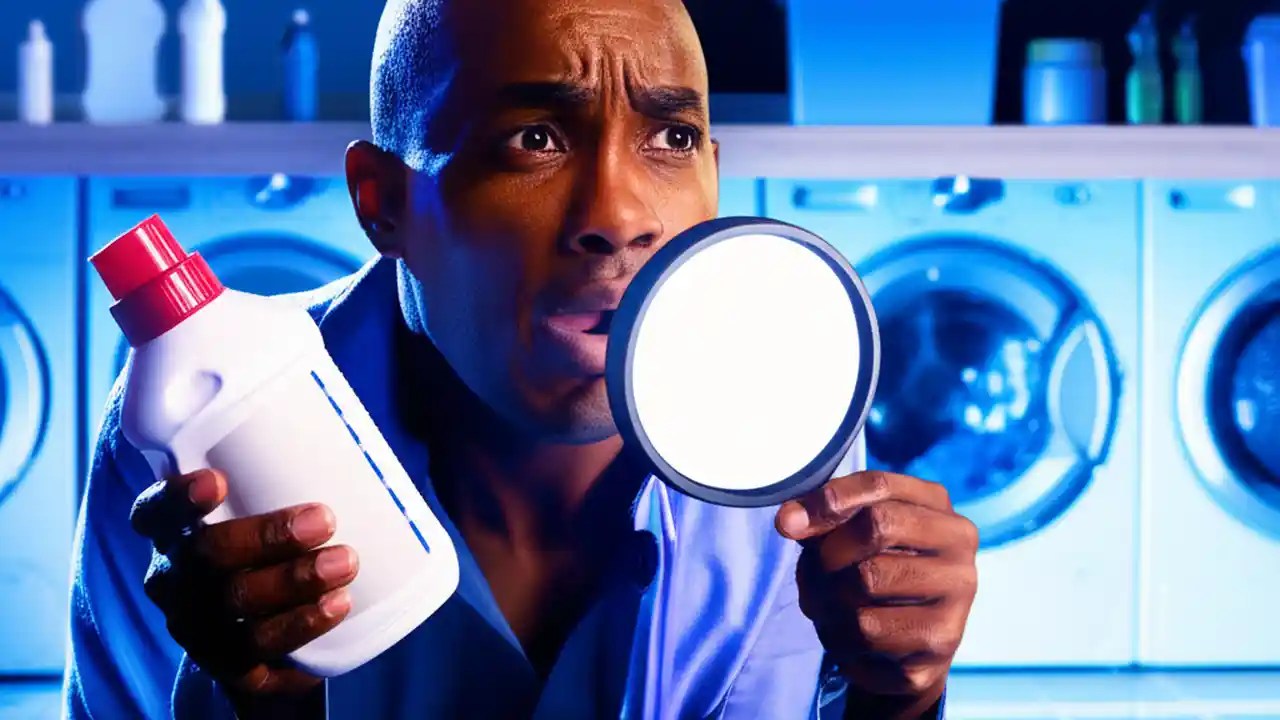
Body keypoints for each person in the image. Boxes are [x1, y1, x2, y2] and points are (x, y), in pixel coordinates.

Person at [62, 0, 978, 717]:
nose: (620, 217)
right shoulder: (203, 443)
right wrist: (247, 705)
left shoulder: (777, 430)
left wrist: (900, 699)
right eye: (534, 138)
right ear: (383, 203)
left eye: (673, 138)